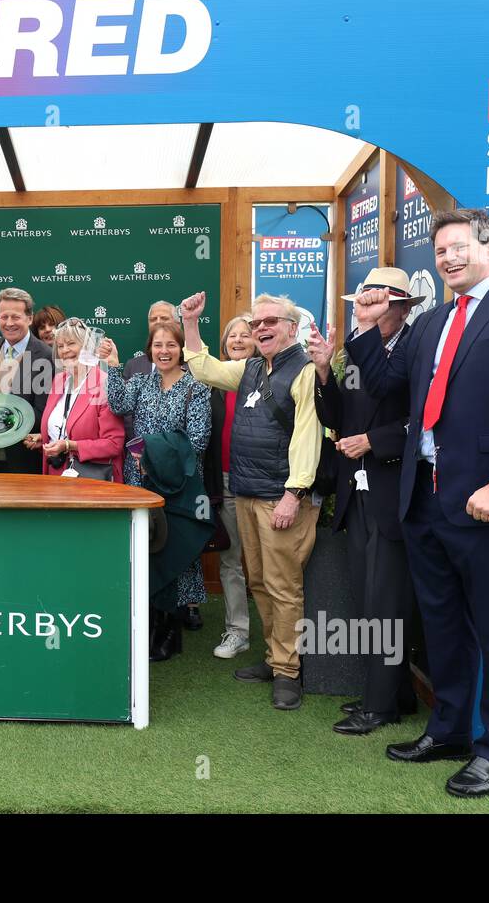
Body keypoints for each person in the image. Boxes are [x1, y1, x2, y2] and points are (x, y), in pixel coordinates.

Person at [347, 208, 489, 797]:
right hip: (424, 501)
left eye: (459, 246)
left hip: (485, 503)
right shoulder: (432, 321)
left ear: (488, 247)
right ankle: (448, 731)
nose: (447, 257)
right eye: (440, 249)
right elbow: (388, 385)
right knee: (442, 626)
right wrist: (368, 325)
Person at [181, 290, 322, 712]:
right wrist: (190, 323)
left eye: (270, 322)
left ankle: (288, 671)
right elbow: (204, 368)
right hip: (245, 492)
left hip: (281, 499)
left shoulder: (306, 370)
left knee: (284, 587)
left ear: (291, 328)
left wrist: (293, 494)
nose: (261, 328)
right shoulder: (252, 368)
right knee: (259, 581)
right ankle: (273, 657)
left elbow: (307, 437)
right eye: (256, 322)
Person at [306, 267, 423, 735]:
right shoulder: (357, 350)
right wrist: (321, 370)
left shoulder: (416, 347)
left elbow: (421, 421)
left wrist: (374, 441)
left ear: (397, 305)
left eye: (371, 302)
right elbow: (335, 415)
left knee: (387, 603)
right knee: (370, 600)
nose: (362, 309)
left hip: (393, 494)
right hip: (358, 493)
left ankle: (382, 705)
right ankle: (392, 695)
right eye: (359, 302)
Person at [100, 320, 211, 660]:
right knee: (147, 550)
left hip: (177, 485)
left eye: (171, 345)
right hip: (140, 483)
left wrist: (154, 453)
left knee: (174, 552)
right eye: (158, 345)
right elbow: (118, 405)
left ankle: (169, 633)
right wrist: (115, 365)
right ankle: (147, 628)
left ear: (182, 350)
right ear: (149, 349)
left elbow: (198, 440)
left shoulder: (197, 387)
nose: (164, 351)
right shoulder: (142, 381)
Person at [27, 317, 125, 481]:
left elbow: (114, 444)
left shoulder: (104, 384)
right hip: (55, 477)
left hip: (92, 482)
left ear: (87, 346)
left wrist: (69, 446)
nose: (65, 350)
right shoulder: (59, 381)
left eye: (71, 343)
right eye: (60, 346)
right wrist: (46, 437)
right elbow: (68, 425)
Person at [208, 313, 254, 660]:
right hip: (224, 478)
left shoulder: (270, 376)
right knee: (231, 559)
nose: (238, 340)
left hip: (264, 482)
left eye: (245, 335)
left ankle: (280, 638)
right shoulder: (214, 380)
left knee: (270, 564)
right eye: (232, 336)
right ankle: (237, 631)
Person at [0, 288, 55, 474]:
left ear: (29, 318)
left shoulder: (45, 355)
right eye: (4, 317)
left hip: (23, 459)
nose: (9, 323)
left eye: (16, 317)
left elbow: (43, 412)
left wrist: (6, 421)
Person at [122, 300, 181, 382]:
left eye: (164, 318)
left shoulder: (193, 366)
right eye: (153, 319)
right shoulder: (133, 365)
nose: (158, 322)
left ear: (178, 324)